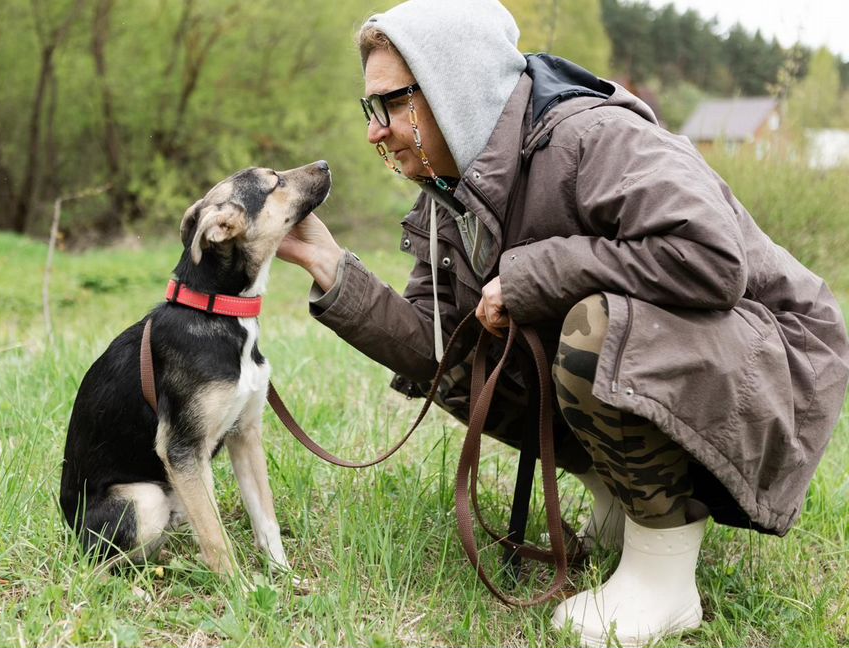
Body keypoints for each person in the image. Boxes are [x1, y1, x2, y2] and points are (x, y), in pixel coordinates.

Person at [275, 1, 849, 646]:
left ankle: (663, 574)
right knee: (473, 359)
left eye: (389, 105)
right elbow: (439, 347)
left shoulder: (595, 136)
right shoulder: (451, 195)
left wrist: (528, 276)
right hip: (697, 349)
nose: (374, 133)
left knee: (592, 329)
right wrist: (329, 266)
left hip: (778, 350)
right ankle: (618, 495)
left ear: (450, 87)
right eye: (369, 111)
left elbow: (711, 259)